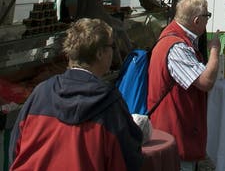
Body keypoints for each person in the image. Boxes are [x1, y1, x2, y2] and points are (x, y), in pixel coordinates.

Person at [9, 18, 142, 170]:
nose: (114, 51)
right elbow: (128, 159)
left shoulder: (41, 92)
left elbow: (15, 150)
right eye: (112, 46)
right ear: (100, 53)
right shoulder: (110, 104)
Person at [147, 0, 221, 170]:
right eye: (207, 16)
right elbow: (206, 82)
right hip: (175, 136)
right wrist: (214, 51)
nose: (207, 20)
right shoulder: (177, 46)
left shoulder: (175, 38)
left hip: (174, 133)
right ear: (197, 20)